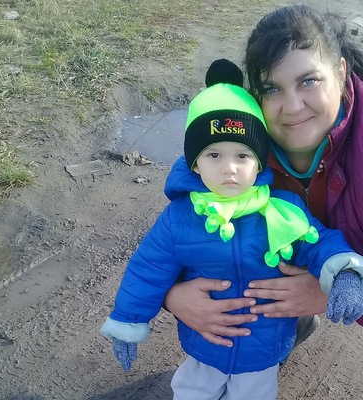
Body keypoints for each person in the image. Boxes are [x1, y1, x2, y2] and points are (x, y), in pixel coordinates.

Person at [100, 60, 363, 400]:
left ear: (259, 161)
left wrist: (345, 272)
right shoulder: (179, 218)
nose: (229, 169)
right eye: (214, 155)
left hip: (264, 349)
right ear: (195, 163)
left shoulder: (282, 210)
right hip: (205, 343)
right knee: (193, 390)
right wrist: (127, 321)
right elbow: (148, 268)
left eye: (242, 155)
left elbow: (319, 242)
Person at [163, 4, 363, 348]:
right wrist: (173, 294)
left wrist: (328, 292)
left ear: (341, 72)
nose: (293, 107)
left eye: (309, 81)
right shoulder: (242, 143)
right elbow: (183, 222)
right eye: (271, 89)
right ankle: (283, 330)